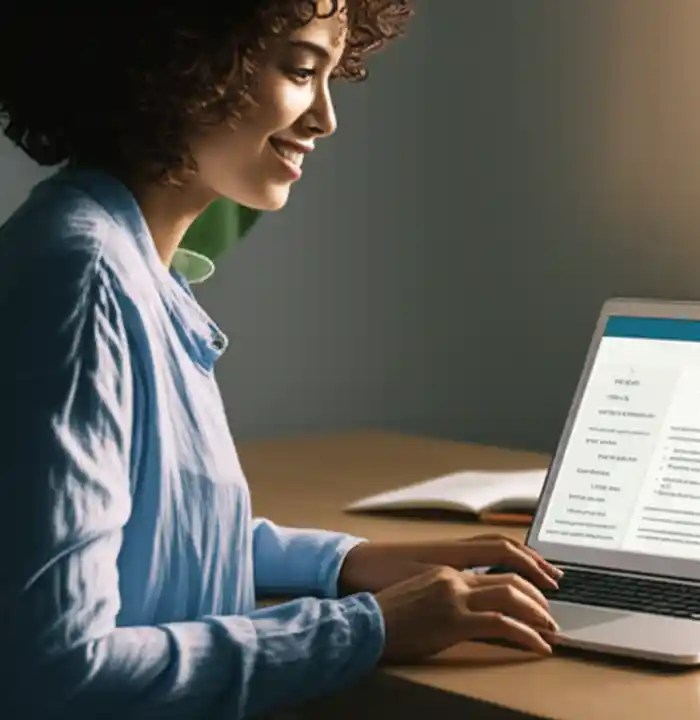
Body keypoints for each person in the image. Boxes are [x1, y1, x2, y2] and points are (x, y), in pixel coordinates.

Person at [0, 2, 564, 718]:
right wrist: (372, 626)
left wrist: (346, 563)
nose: (325, 118)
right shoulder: (82, 281)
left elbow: (162, 532)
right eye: (300, 70)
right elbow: (55, 672)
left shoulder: (126, 265)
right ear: (178, 63)